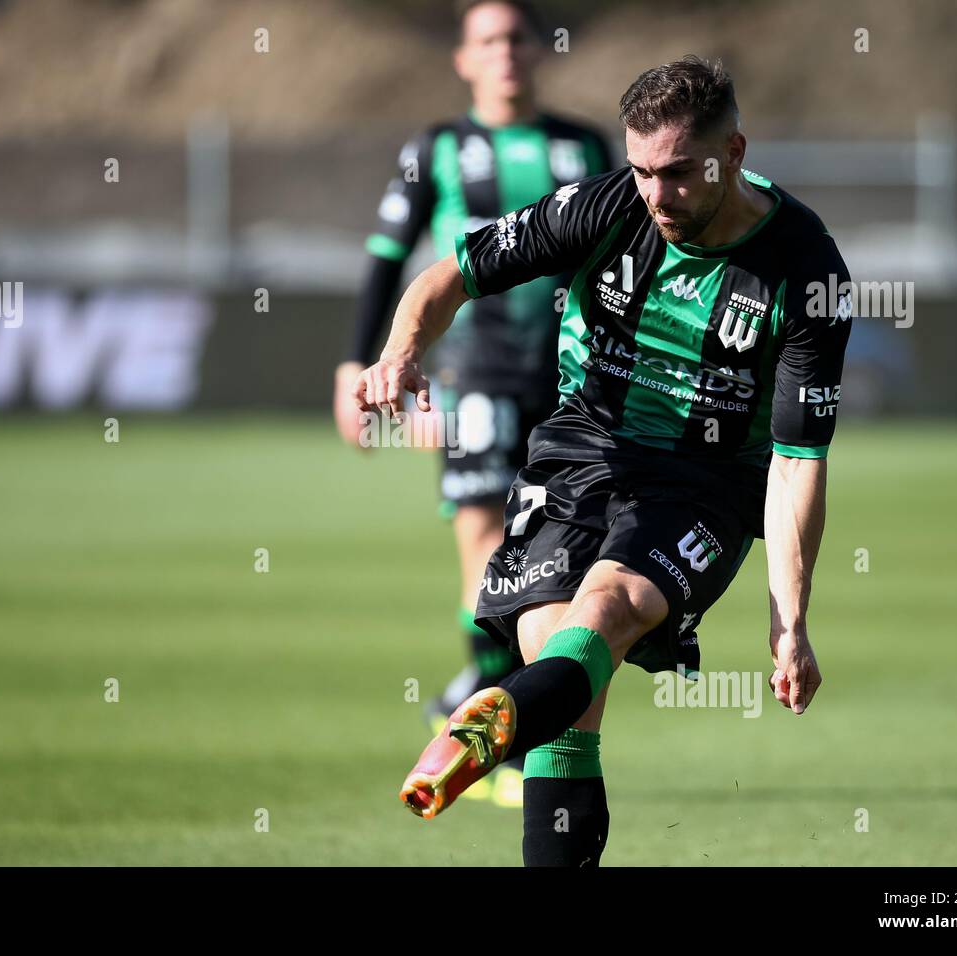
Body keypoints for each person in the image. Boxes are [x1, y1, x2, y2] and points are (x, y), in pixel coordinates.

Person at [353, 56, 853, 866]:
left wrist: (790, 619)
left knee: (609, 611)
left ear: (734, 150)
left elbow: (798, 460)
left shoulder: (806, 269)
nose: (658, 195)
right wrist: (398, 353)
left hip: (705, 481)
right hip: (578, 455)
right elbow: (453, 273)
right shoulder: (604, 206)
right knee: (567, 688)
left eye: (681, 173)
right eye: (644, 170)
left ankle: (490, 723)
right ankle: (518, 717)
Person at [333, 0, 611, 808]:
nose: (506, 53)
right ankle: (499, 731)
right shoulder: (439, 149)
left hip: (571, 379)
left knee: (563, 555)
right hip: (475, 376)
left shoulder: (584, 145)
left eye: (518, 38)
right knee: (488, 545)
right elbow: (387, 257)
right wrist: (360, 365)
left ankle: (485, 698)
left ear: (539, 50)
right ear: (463, 59)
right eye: (488, 40)